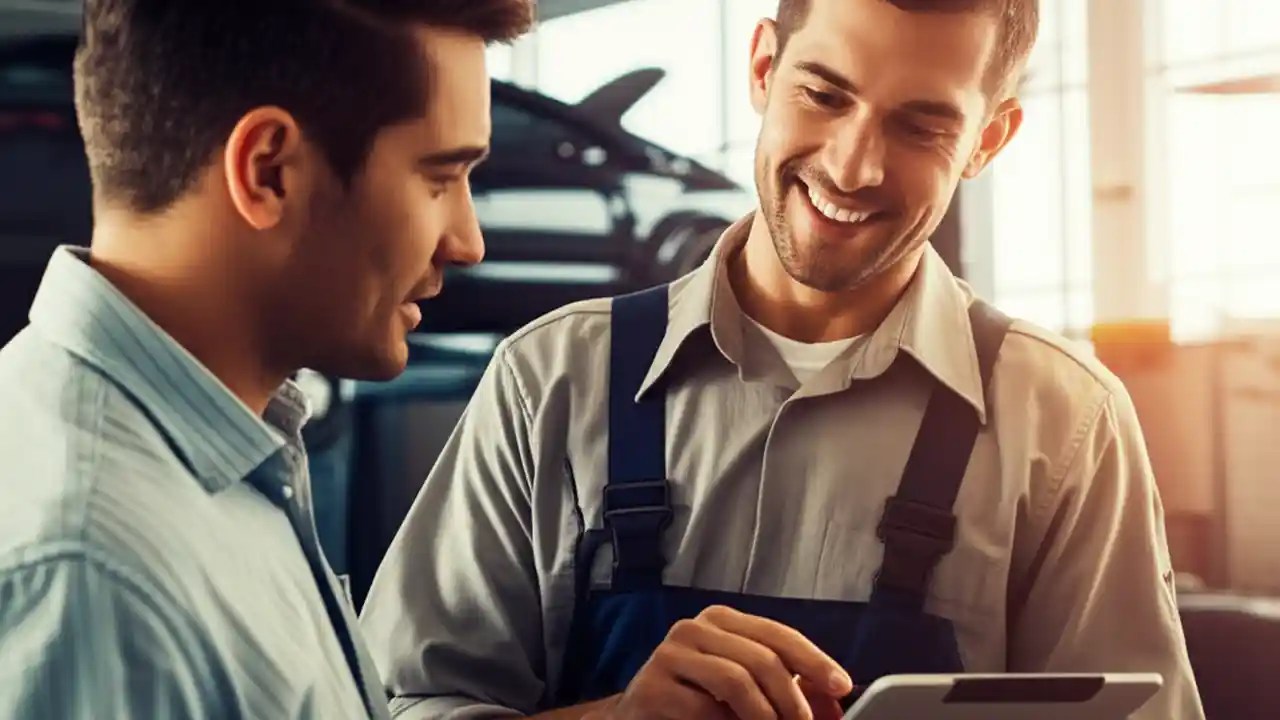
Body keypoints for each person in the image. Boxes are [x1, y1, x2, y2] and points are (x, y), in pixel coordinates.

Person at [359, 0, 1206, 719]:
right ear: (764, 65)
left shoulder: (1064, 425)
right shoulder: (549, 382)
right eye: (824, 94)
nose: (853, 165)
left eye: (923, 124)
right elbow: (397, 704)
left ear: (989, 139)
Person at [0, 1, 533, 718]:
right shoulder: (99, 578)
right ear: (268, 171)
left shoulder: (208, 464)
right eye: (440, 179)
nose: (467, 242)